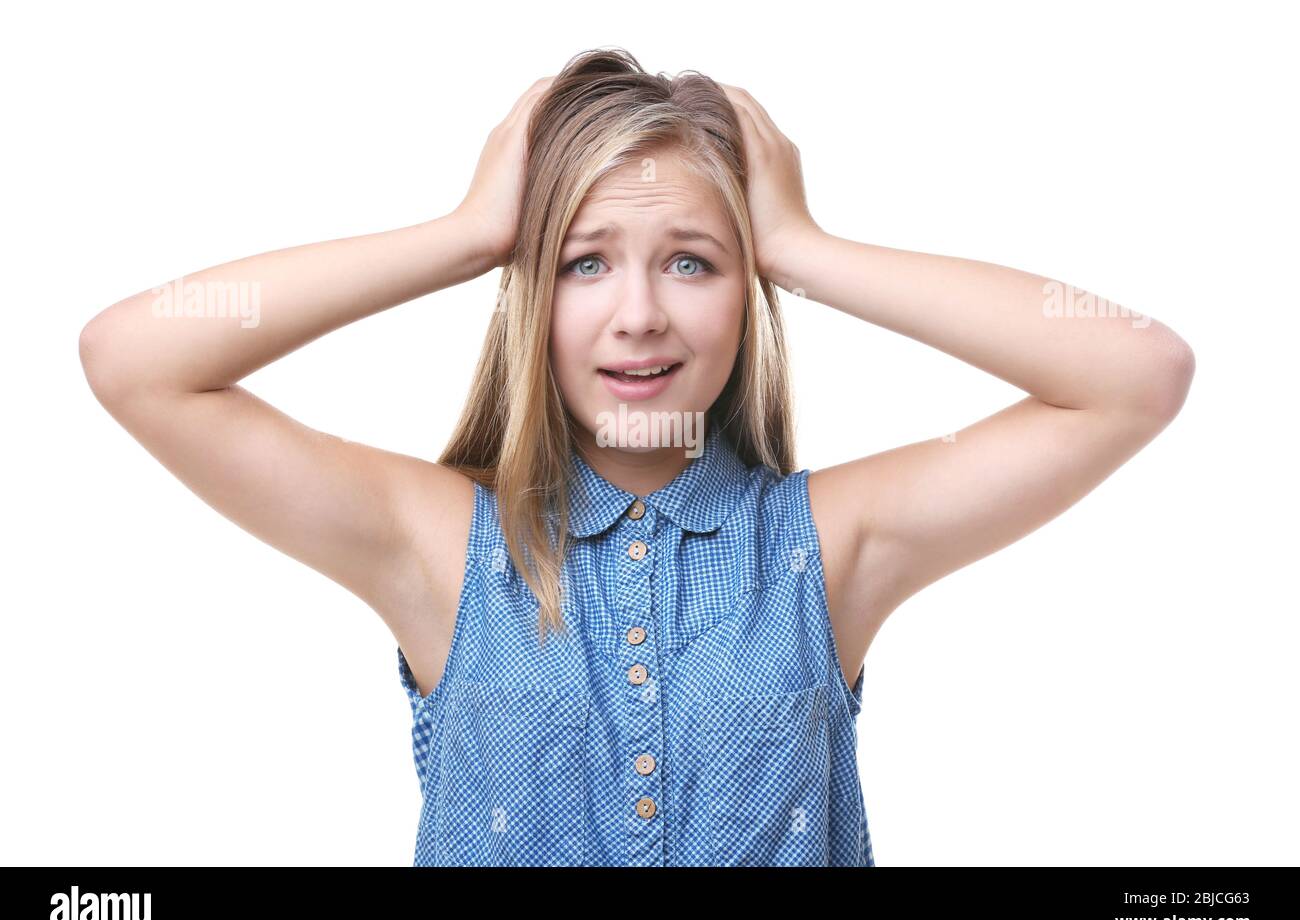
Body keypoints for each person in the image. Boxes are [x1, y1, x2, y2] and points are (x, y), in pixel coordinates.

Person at [78, 48, 1195, 866]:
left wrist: (803, 247)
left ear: (749, 294)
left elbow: (1136, 374)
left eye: (695, 263)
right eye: (583, 263)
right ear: (530, 287)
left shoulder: (826, 549)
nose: (639, 315)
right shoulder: (445, 551)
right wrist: (466, 234)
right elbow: (132, 357)